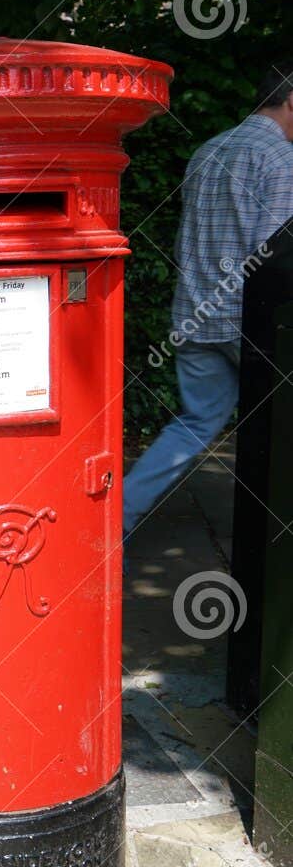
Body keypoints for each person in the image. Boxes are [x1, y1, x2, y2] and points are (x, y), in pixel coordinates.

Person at [124, 62, 293, 535]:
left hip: (196, 316)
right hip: (253, 324)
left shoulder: (207, 151)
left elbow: (185, 244)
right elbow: (277, 261)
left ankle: (114, 519)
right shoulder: (280, 160)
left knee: (195, 425)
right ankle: (269, 548)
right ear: (291, 99)